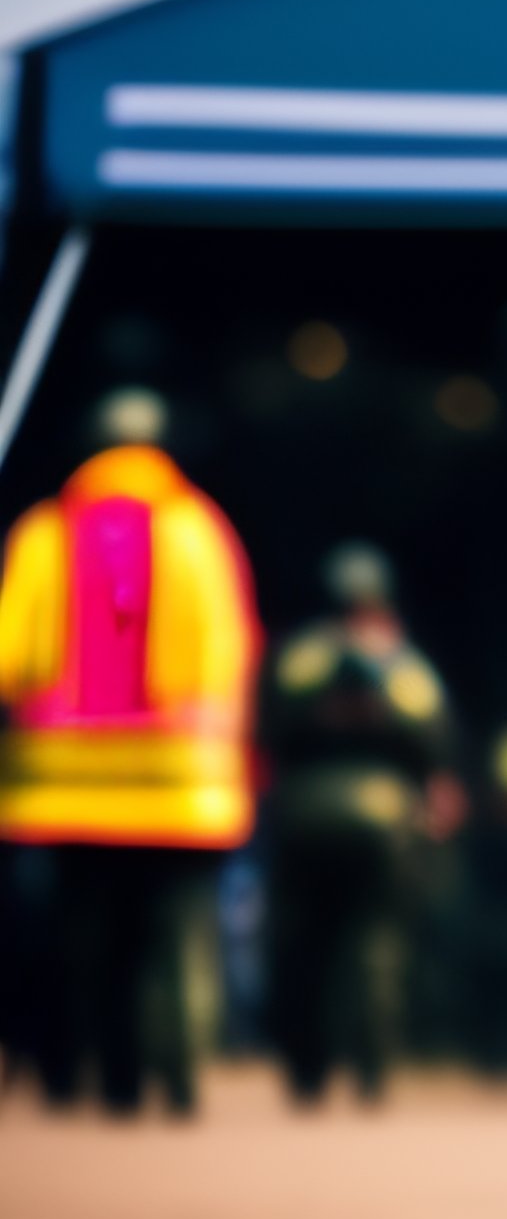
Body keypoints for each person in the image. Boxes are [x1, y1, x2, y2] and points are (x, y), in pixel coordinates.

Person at [0, 393, 259, 1112]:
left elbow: (11, 653)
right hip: (178, 793)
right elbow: (230, 649)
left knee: (81, 940)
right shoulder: (199, 531)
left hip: (66, 792)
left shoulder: (45, 533)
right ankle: (173, 1077)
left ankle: (82, 1078)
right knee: (172, 942)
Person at [262, 544, 462, 1103]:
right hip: (384, 818)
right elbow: (434, 740)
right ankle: (373, 1066)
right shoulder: (401, 661)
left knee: (304, 941)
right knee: (376, 940)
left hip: (305, 811)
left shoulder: (301, 656)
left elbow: (273, 728)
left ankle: (307, 1070)